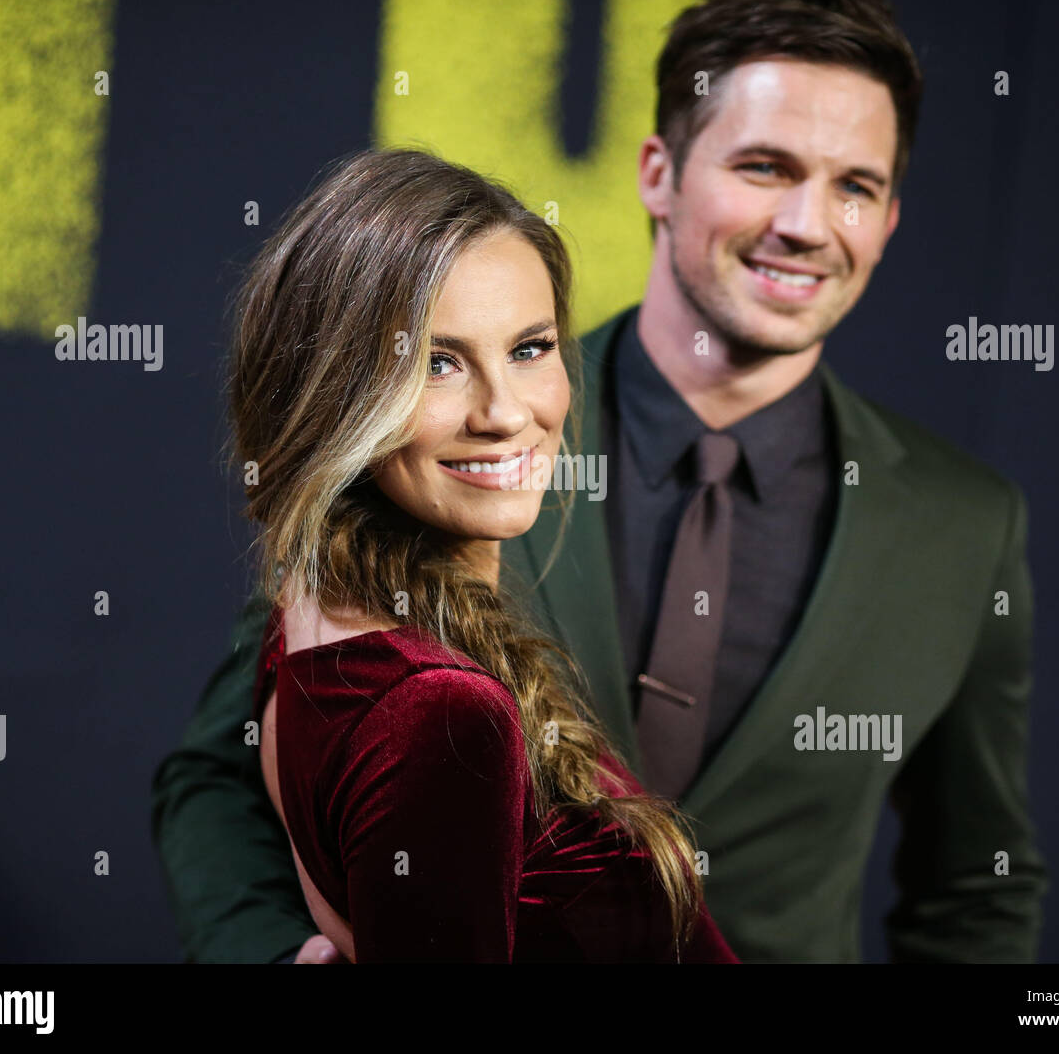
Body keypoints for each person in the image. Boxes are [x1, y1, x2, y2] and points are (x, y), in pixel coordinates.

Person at [152, 0, 1046, 963]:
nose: (805, 223)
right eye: (763, 166)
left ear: (887, 219)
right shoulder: (456, 445)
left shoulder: (965, 525)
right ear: (658, 172)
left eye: (853, 187)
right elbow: (220, 769)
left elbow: (976, 888)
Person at [211, 146, 737, 963]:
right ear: (336, 396)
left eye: (530, 347)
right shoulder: (442, 712)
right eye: (437, 363)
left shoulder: (312, 621)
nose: (504, 412)